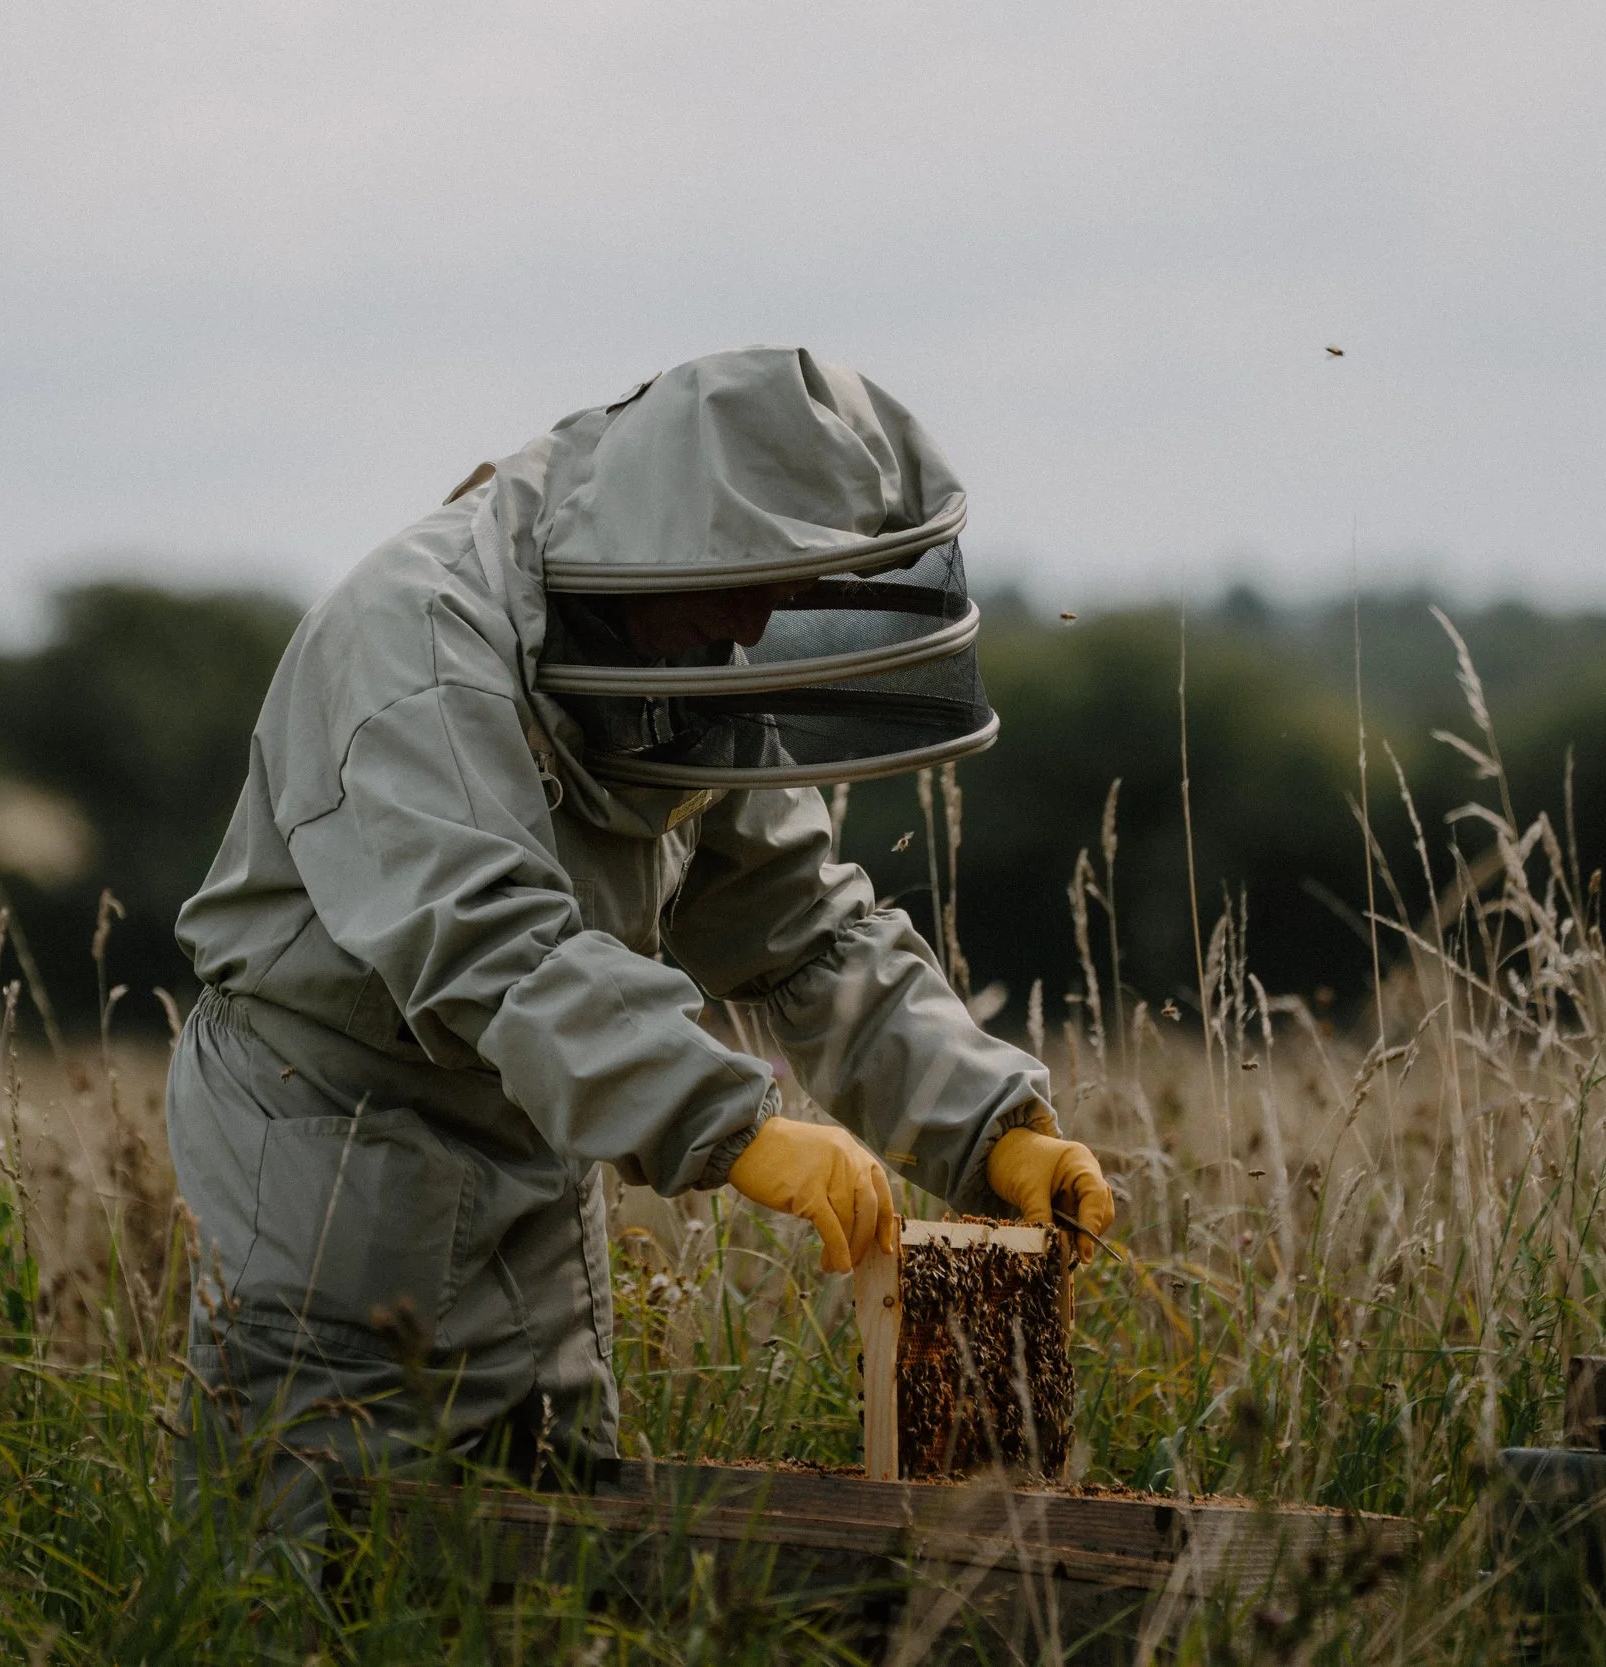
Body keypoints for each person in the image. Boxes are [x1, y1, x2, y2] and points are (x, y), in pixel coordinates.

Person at [167, 346, 1115, 1540]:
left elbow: (804, 929)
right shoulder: (413, 638)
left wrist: (991, 1123)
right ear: (667, 527)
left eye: (790, 579)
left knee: (547, 1556)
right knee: (310, 1550)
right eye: (744, 575)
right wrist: (731, 1120)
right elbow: (489, 944)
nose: (759, 618)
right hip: (332, 1157)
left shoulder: (675, 651)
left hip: (530, 1152)